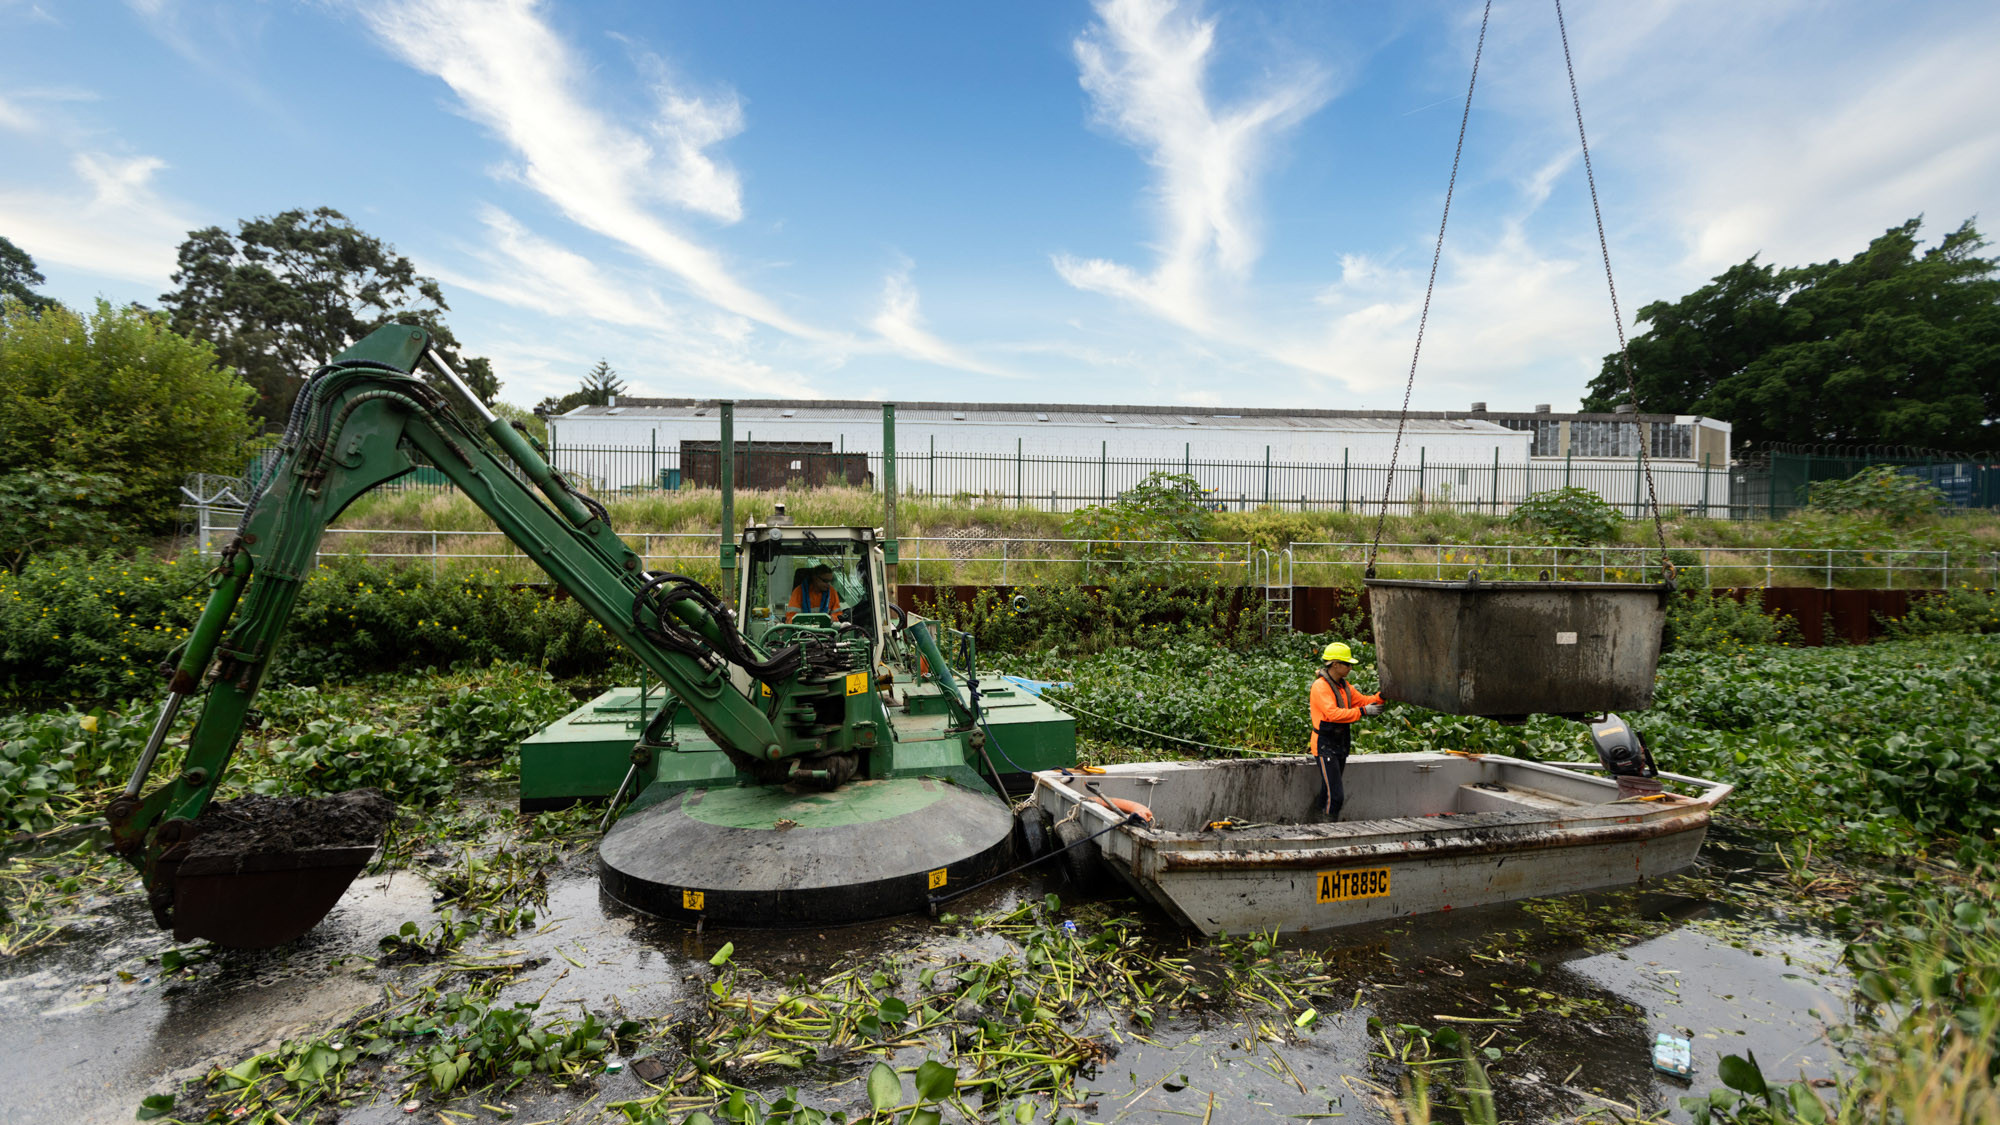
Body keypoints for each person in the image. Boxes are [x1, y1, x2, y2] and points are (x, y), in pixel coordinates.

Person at [1308, 641, 1385, 821]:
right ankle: (1327, 827)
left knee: (1328, 791)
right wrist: (1363, 712)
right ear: (1335, 664)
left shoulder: (1344, 686)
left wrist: (1382, 696)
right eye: (1347, 664)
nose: (1350, 667)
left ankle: (1316, 821)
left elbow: (1364, 701)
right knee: (1335, 795)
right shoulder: (1320, 687)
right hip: (1324, 745)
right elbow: (1332, 714)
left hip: (1340, 743)